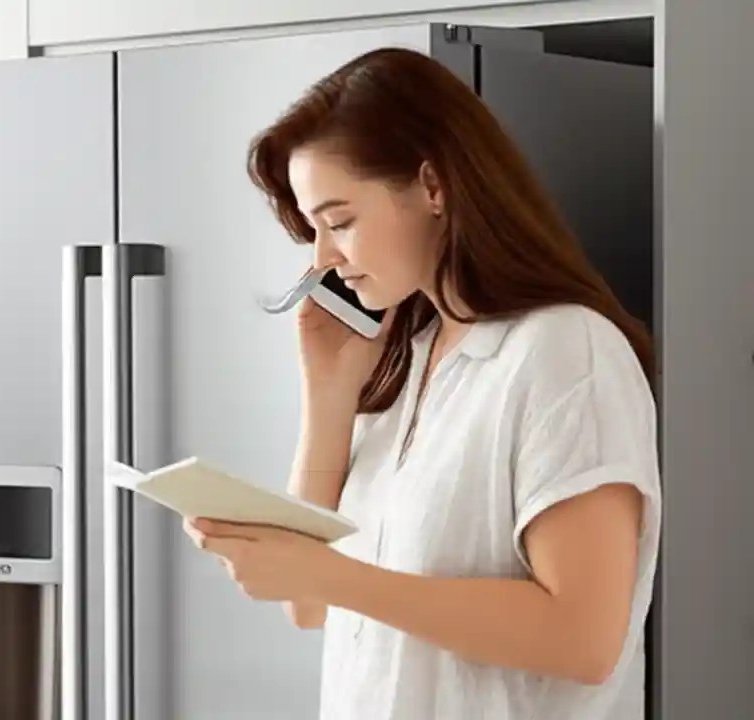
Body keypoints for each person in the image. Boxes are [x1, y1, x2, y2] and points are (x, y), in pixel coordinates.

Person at [182, 47, 661, 719]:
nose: (324, 260)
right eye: (315, 231)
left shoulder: (564, 352)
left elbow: (582, 637)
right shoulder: (411, 359)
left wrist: (331, 575)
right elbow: (308, 604)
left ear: (433, 187)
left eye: (339, 221)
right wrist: (330, 395)